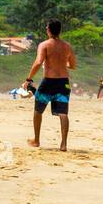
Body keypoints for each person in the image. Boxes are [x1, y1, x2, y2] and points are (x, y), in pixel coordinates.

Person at [25, 20, 76, 151]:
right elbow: (73, 65)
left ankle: (36, 140)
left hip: (48, 81)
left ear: (48, 30)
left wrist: (28, 79)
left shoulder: (44, 45)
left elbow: (38, 62)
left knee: (38, 110)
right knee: (63, 113)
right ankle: (64, 144)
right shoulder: (67, 46)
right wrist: (61, 64)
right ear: (60, 30)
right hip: (63, 82)